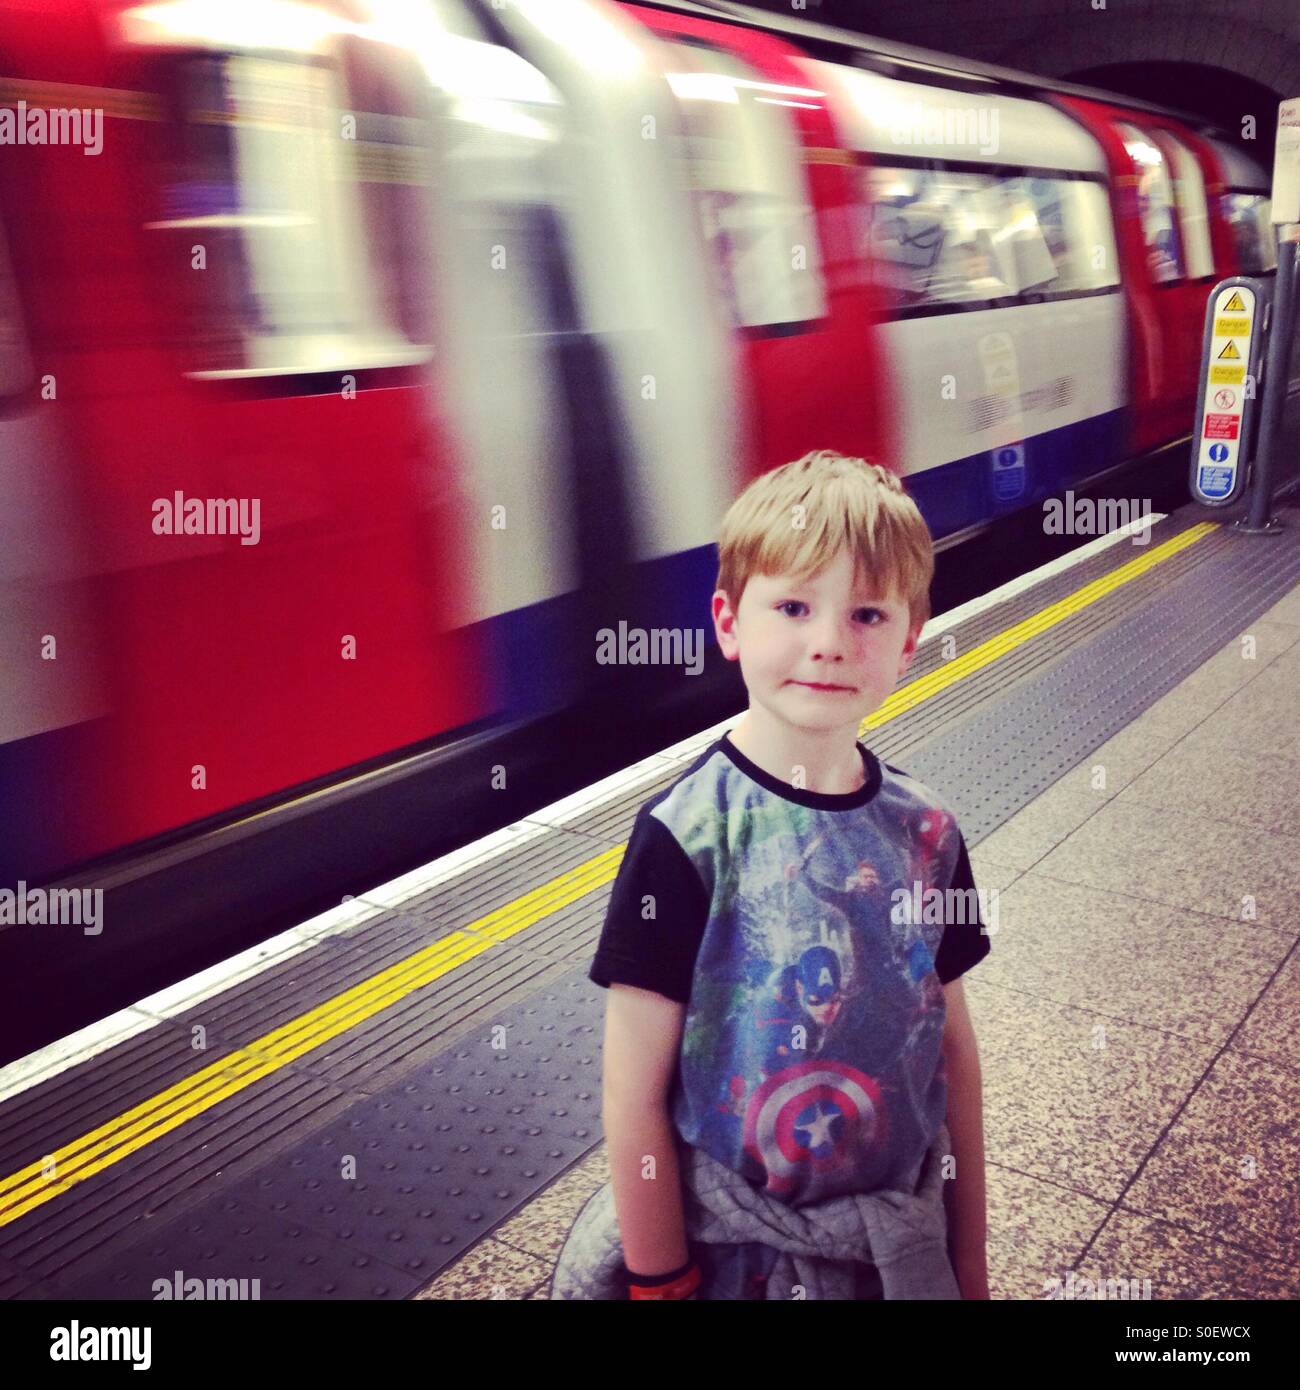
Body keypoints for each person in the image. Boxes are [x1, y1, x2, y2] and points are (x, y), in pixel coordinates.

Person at [552, 449, 992, 1301]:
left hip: (893, 1260)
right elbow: (632, 1090)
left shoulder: (930, 833)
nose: (828, 643)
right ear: (729, 622)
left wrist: (967, 1260)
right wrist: (658, 1278)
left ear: (909, 639)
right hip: (732, 1263)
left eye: (867, 614)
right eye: (793, 606)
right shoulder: (684, 840)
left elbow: (956, 1058)